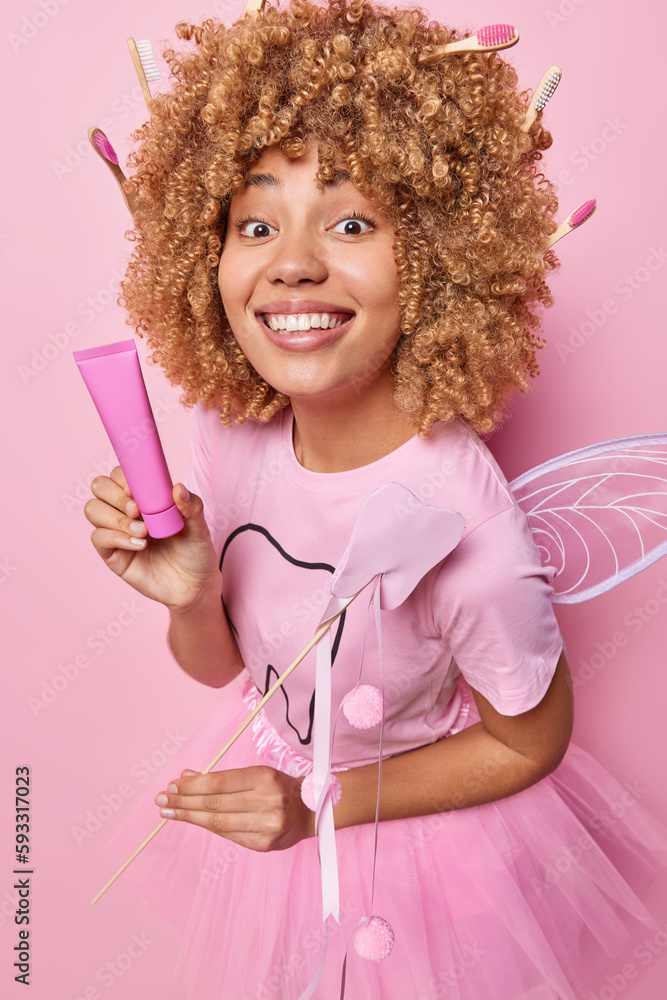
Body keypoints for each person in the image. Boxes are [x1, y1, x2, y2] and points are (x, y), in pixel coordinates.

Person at [85, 2, 667, 997]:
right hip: (278, 788)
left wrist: (315, 807)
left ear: (438, 265)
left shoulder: (466, 521)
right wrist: (189, 596)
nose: (294, 260)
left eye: (351, 222)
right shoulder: (230, 432)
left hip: (409, 830)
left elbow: (534, 736)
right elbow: (232, 669)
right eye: (255, 222)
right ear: (208, 256)